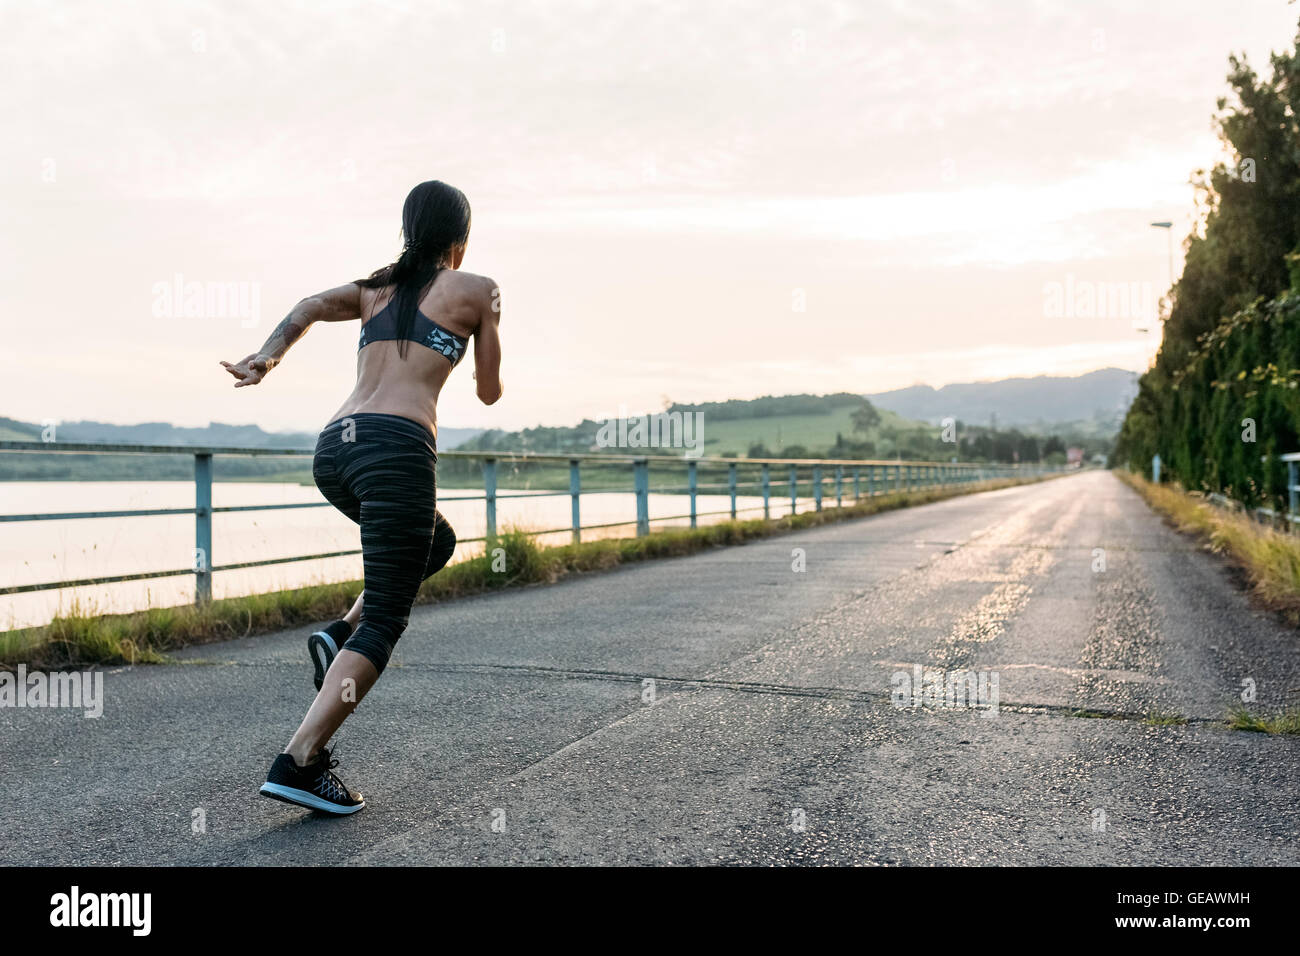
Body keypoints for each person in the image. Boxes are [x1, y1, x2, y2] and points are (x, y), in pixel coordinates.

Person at [219, 180, 502, 814]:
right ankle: (300, 761)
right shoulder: (478, 289)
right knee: (387, 621)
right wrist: (485, 330)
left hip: (336, 448)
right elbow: (489, 391)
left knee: (437, 540)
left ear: (408, 231)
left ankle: (336, 636)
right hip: (395, 449)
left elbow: (310, 305)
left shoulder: (376, 289)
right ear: (461, 240)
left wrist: (266, 359)